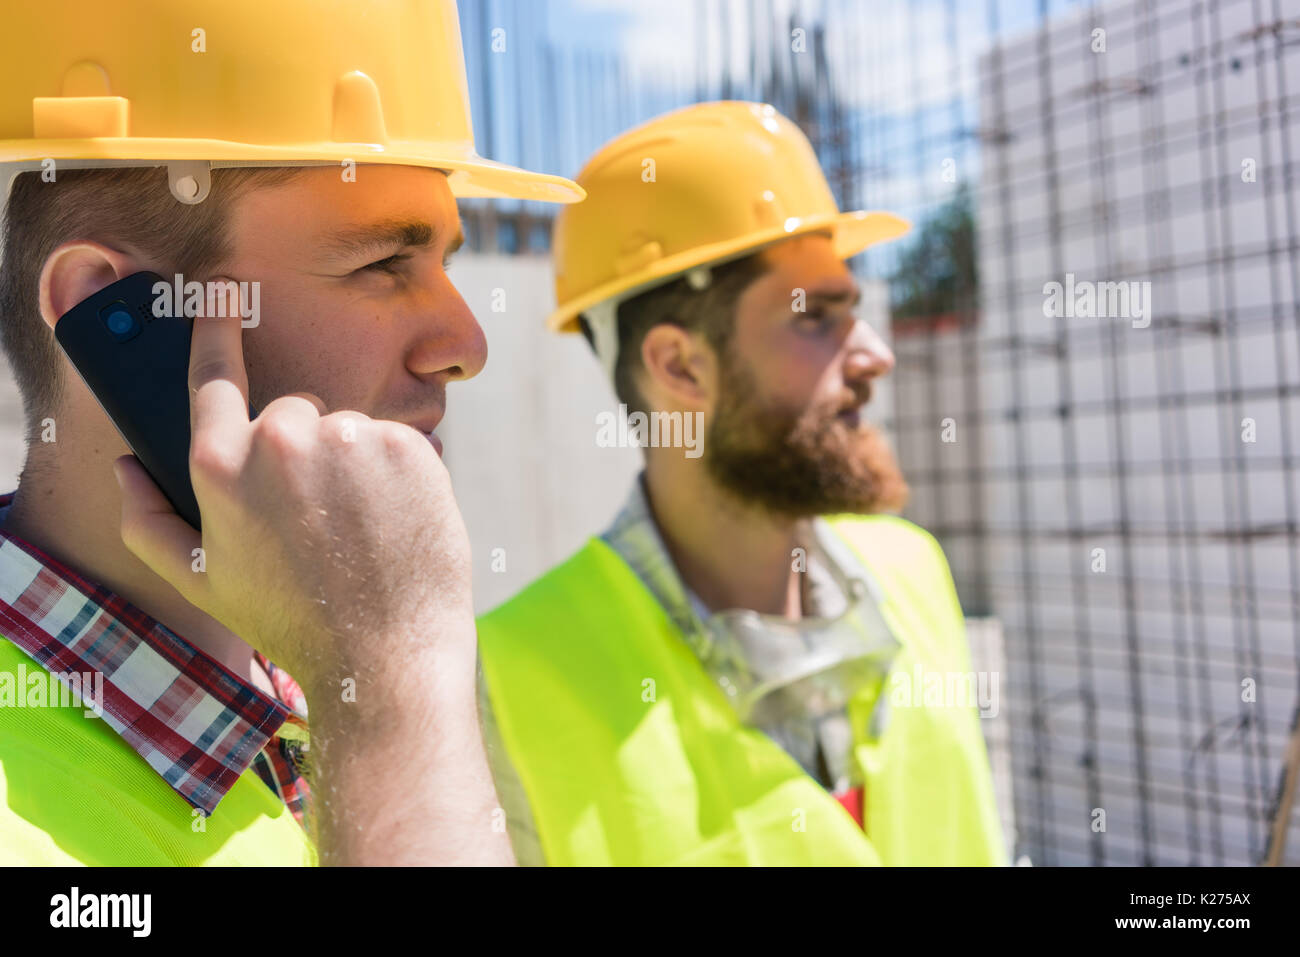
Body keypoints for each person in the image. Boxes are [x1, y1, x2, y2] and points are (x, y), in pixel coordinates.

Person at [0, 0, 581, 866]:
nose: (468, 346)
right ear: (109, 309)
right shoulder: (384, 697)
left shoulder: (313, 704)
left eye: (445, 263)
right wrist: (393, 693)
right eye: (383, 262)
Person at [477, 102, 1008, 866]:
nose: (876, 355)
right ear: (681, 367)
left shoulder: (914, 570)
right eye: (816, 318)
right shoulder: (513, 678)